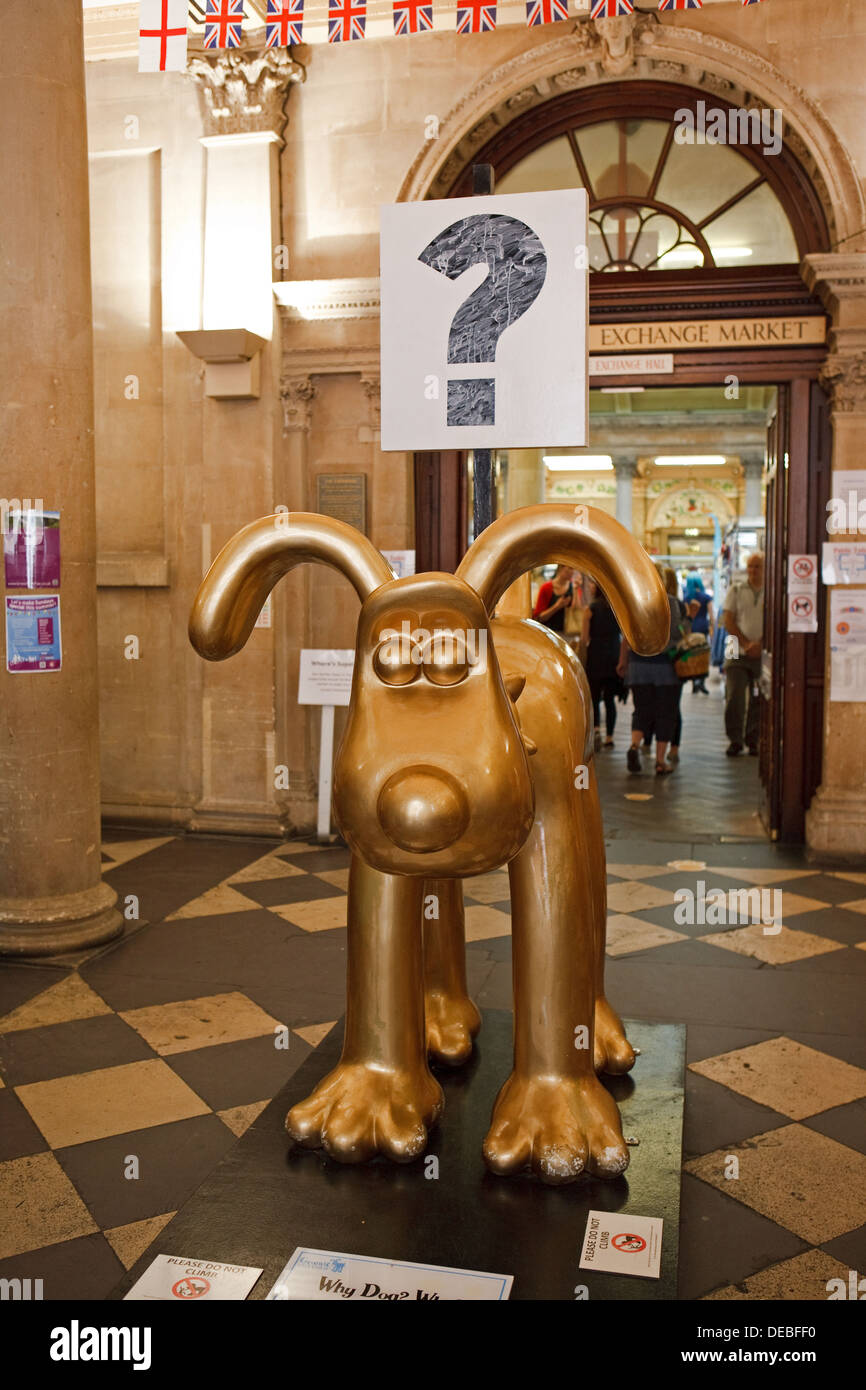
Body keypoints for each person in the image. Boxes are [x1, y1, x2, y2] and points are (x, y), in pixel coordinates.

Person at [617, 564, 686, 776]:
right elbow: (677, 632)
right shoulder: (670, 602)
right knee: (666, 713)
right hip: (665, 667)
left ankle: (634, 746)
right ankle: (660, 761)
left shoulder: (634, 601)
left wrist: (623, 661)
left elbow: (627, 635)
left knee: (641, 710)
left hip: (638, 665)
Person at [721, 551, 765, 757]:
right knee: (734, 698)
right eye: (750, 566)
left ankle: (753, 739)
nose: (752, 570)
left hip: (762, 653)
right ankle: (735, 740)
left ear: (765, 569)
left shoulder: (772, 591)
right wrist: (746, 643)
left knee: (759, 698)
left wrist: (760, 644)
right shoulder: (736, 590)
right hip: (736, 650)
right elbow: (728, 620)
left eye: (757, 566)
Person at [582, 579, 622, 750]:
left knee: (595, 697)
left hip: (596, 655)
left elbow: (584, 639)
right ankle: (610, 736)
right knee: (610, 699)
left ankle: (597, 729)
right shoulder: (617, 609)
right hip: (613, 654)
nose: (590, 587)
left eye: (592, 584)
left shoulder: (590, 609)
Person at [683, 571, 714, 694]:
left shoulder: (687, 598)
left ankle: (694, 682)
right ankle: (701, 681)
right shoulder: (706, 597)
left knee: (692, 656)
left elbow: (686, 616)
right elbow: (711, 616)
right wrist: (712, 629)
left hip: (691, 628)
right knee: (703, 654)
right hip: (703, 628)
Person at [532, 565, 574, 632]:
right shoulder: (546, 588)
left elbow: (578, 610)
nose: (573, 571)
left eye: (574, 569)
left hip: (569, 633)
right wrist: (557, 606)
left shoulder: (574, 587)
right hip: (548, 632)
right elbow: (538, 618)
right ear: (561, 568)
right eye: (570, 568)